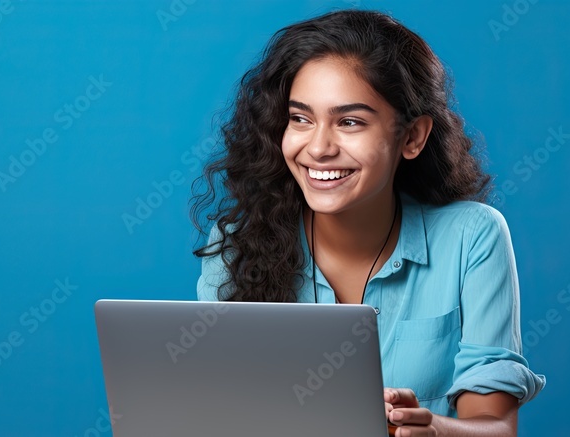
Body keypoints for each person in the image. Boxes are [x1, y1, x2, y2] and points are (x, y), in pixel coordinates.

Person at [191, 9, 545, 436]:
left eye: (350, 122)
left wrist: (434, 429)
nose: (318, 148)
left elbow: (496, 427)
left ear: (412, 137)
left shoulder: (473, 237)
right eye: (300, 118)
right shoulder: (237, 246)